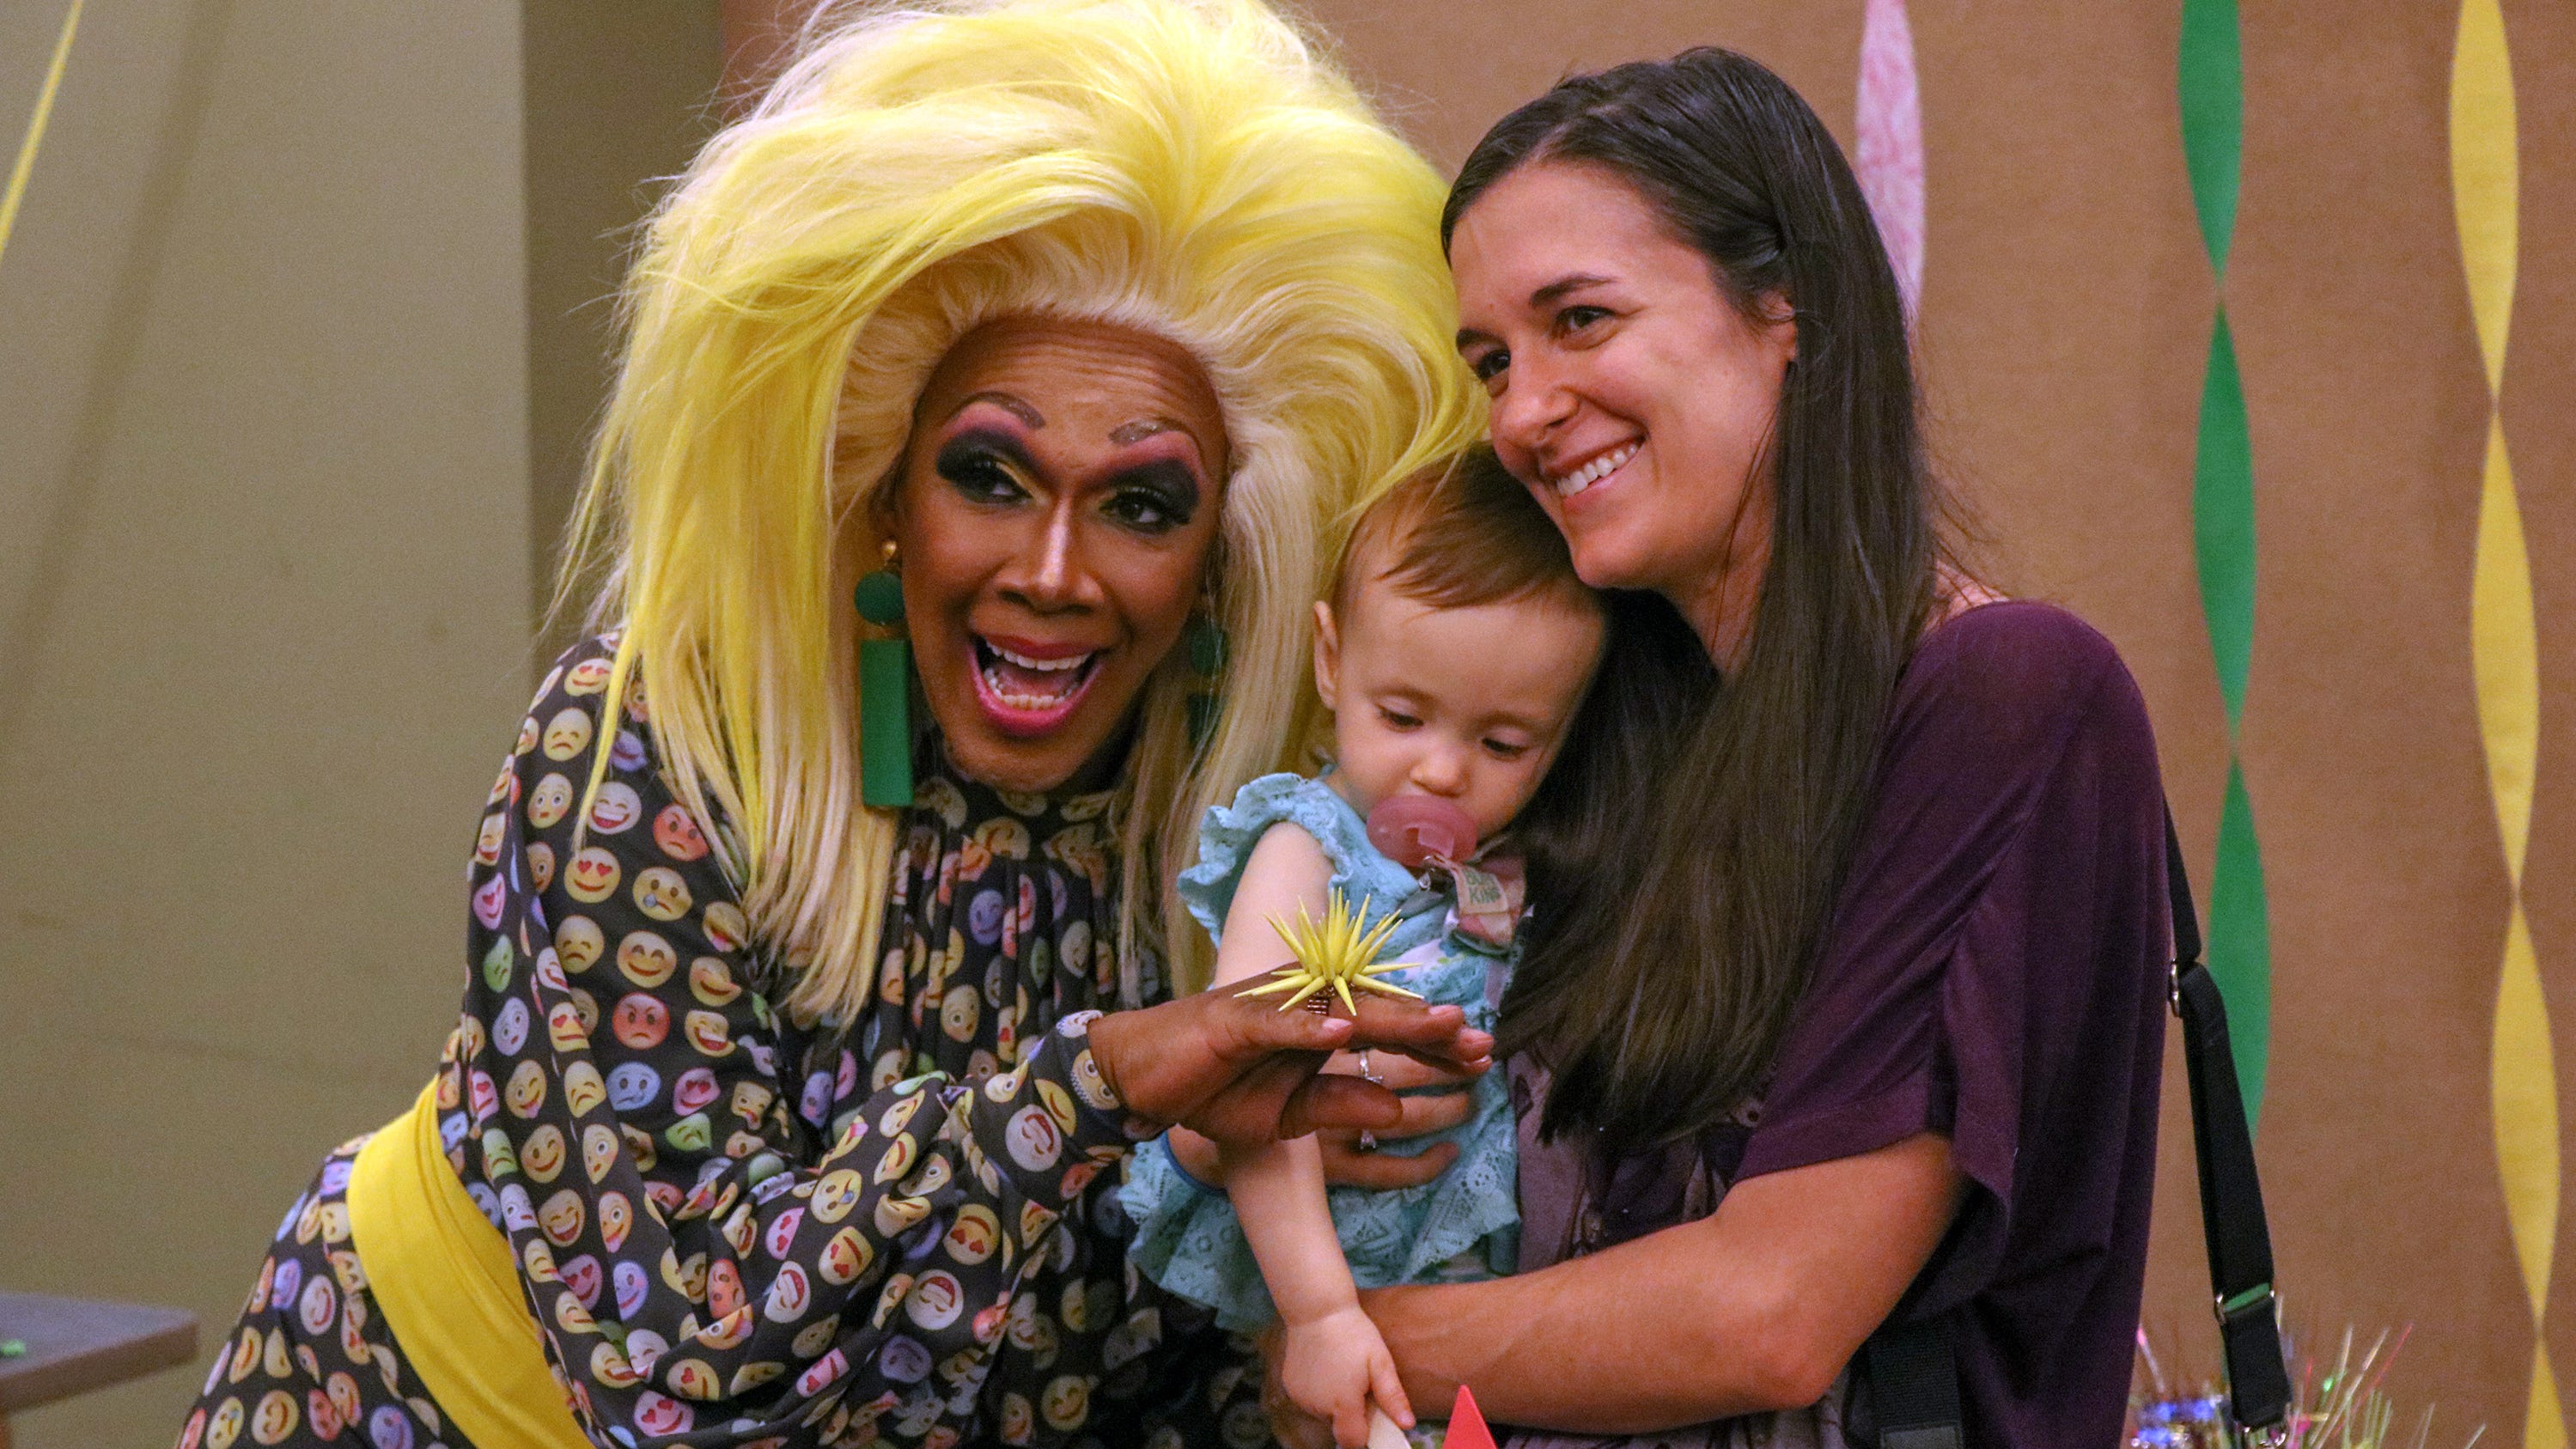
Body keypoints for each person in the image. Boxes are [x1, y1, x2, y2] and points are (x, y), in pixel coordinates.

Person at [174, 3, 1492, 1446]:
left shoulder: (1243, 836)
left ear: (1216, 565)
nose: (1050, 573)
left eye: (1137, 505)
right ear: (885, 494)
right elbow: (680, 1360)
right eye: (988, 477)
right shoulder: (650, 751)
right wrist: (1101, 1082)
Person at [1266, 48, 2172, 1449]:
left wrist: (1331, 1331)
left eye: (1579, 319)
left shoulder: (2005, 700)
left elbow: (1769, 1307)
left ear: (1784, 307)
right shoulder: (1597, 722)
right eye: (1492, 361)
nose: (1518, 411)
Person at [1124, 454, 1697, 1449]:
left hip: (1486, 1277)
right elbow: (1251, 1078)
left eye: (1505, 743)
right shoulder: (1304, 847)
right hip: (1342, 1268)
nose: (1441, 767)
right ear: (1329, 659)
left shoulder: (1500, 865)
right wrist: (1318, 1313)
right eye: (1401, 715)